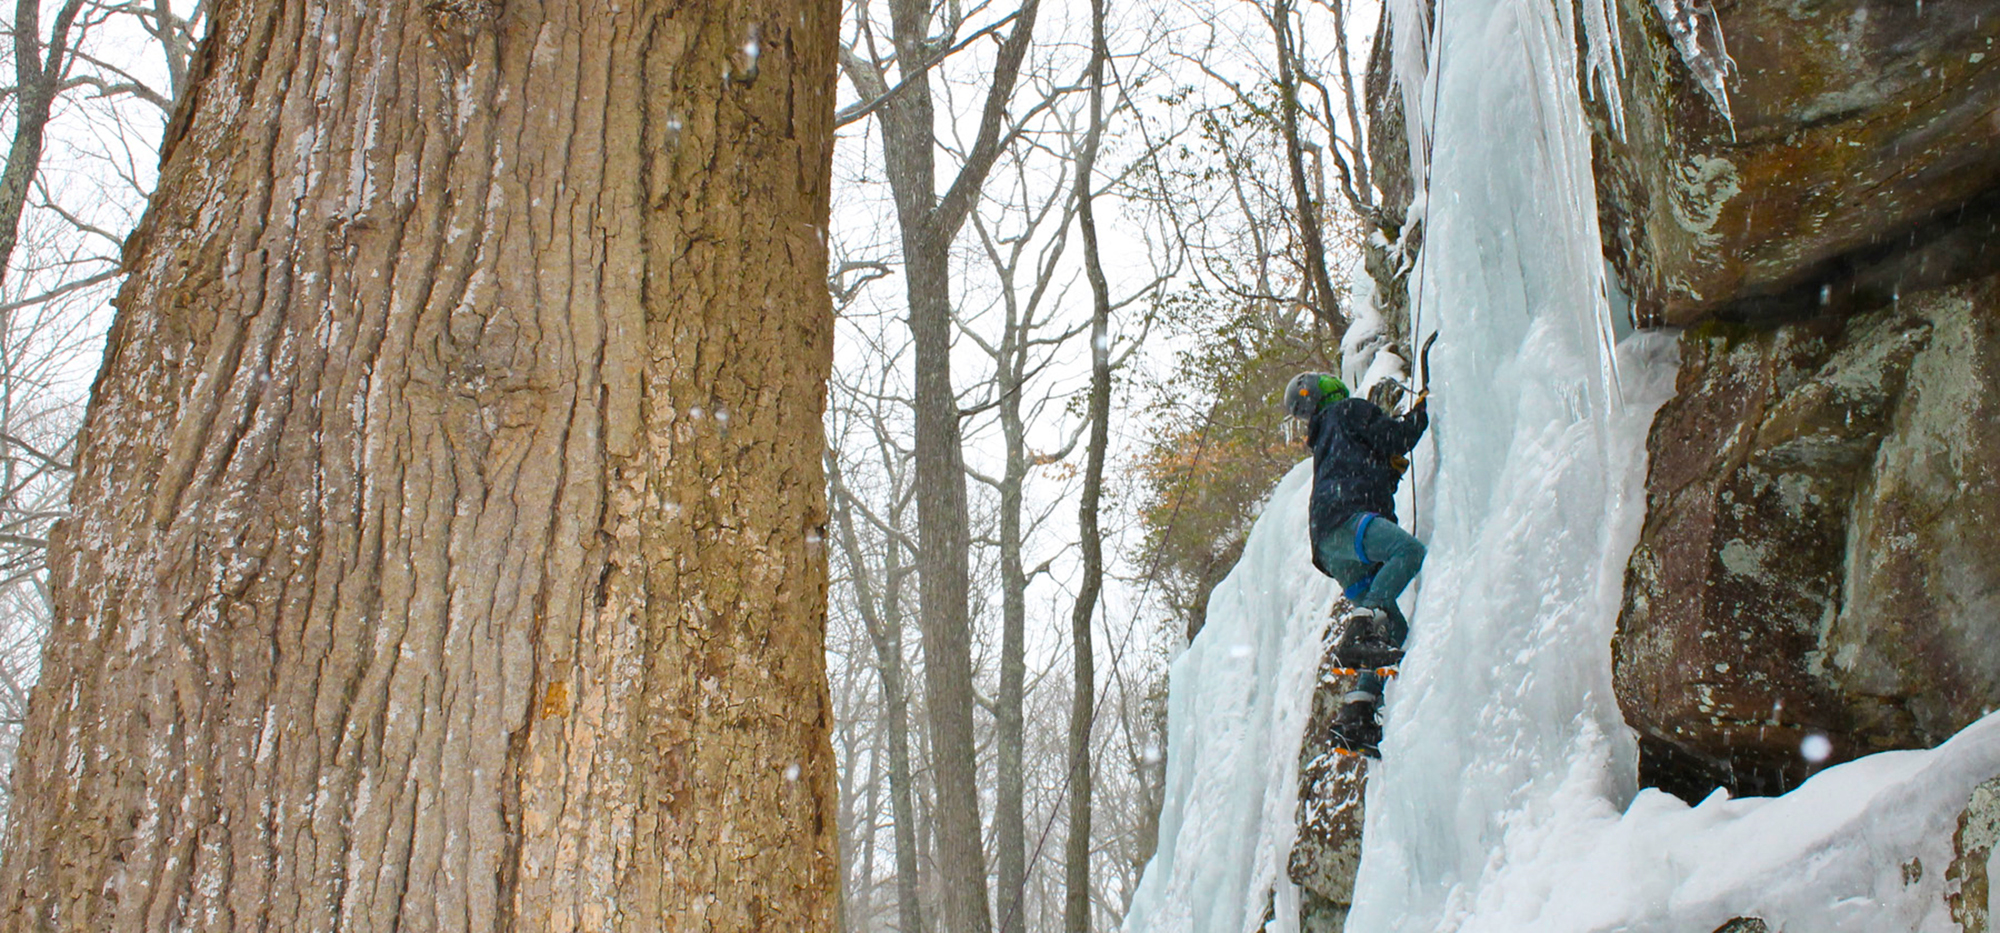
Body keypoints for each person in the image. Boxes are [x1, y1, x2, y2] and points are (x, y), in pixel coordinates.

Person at [1285, 371, 1428, 753]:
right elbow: (1396, 437)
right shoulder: (1349, 410)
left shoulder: (1326, 440)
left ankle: (1358, 711)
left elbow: (1364, 466)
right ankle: (1363, 624)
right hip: (1348, 520)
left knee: (1394, 630)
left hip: (1330, 547)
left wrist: (1388, 470)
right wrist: (1424, 410)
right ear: (1329, 392)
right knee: (1408, 552)